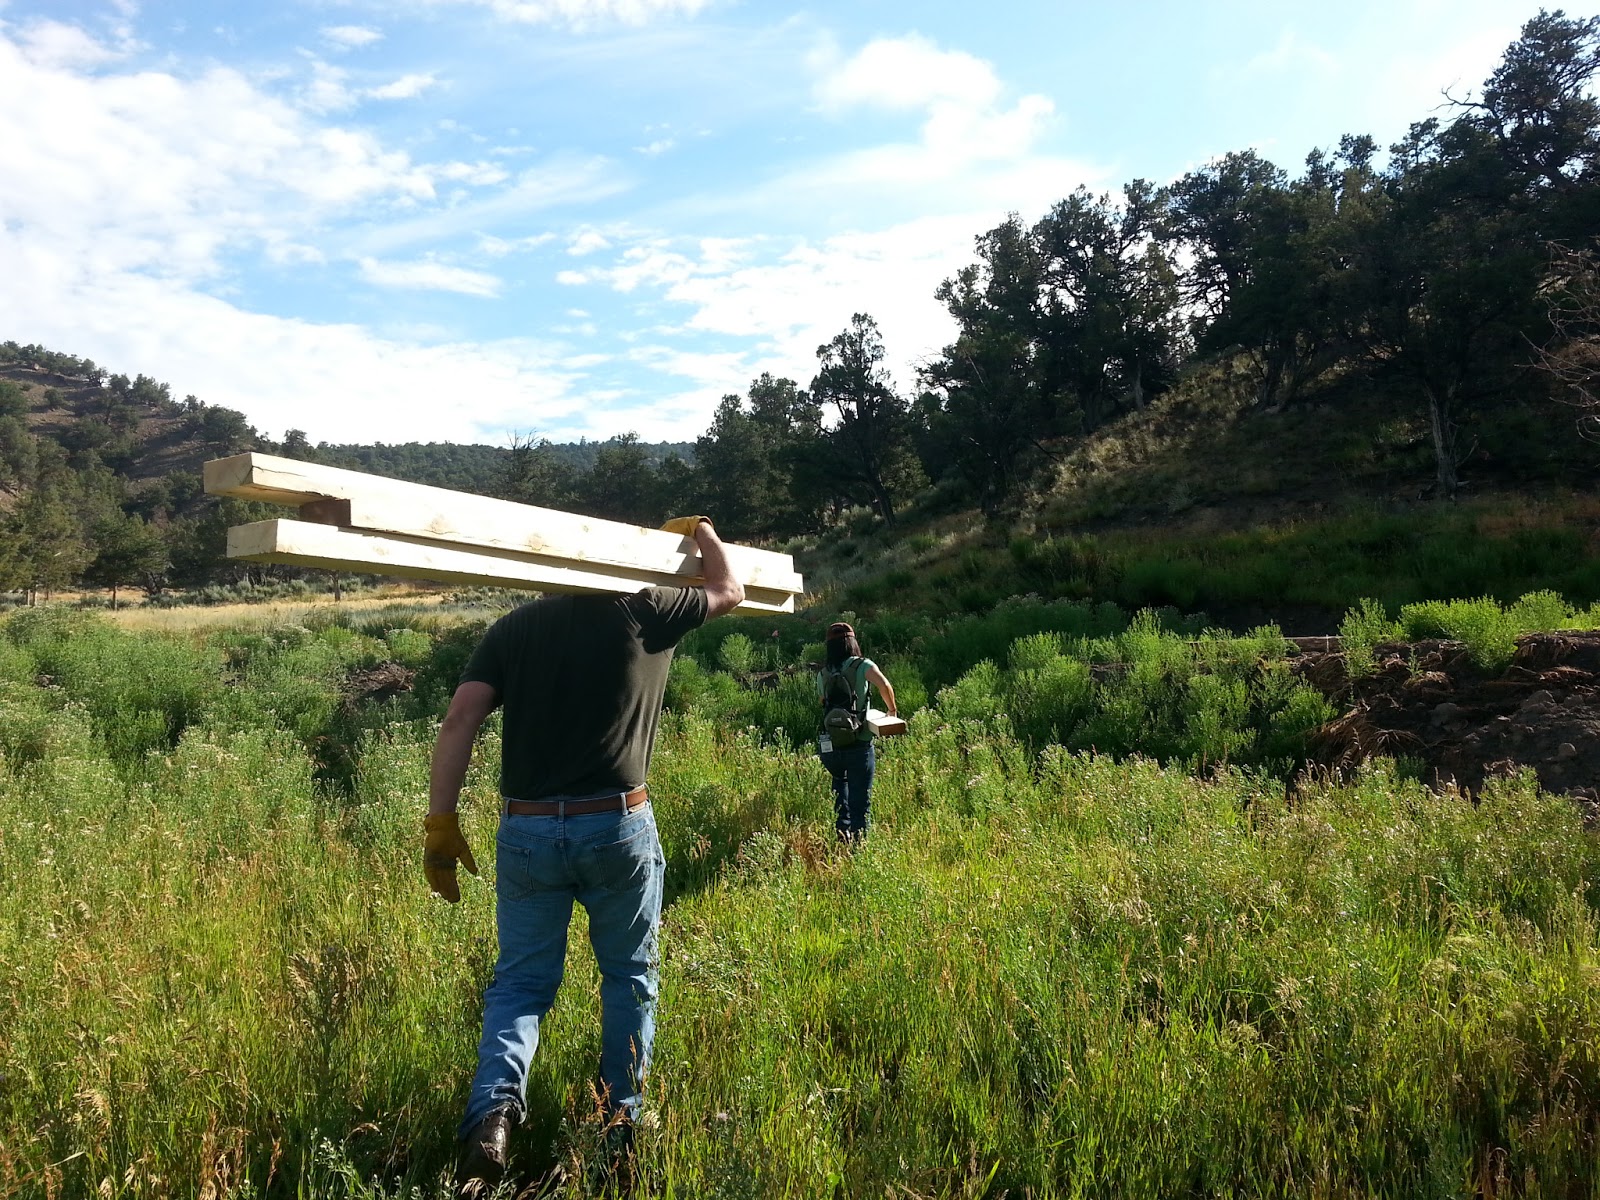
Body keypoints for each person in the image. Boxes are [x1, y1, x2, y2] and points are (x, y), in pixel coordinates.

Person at [423, 515, 745, 1194]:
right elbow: (730, 589)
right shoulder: (647, 611)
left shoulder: (513, 629)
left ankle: (492, 1117)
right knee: (629, 975)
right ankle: (619, 1125)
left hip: (528, 830)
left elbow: (459, 719)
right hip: (616, 826)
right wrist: (703, 530)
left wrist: (441, 822)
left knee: (520, 983)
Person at [816, 621, 895, 842]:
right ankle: (859, 845)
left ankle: (843, 835)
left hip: (832, 744)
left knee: (840, 791)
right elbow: (884, 685)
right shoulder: (863, 665)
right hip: (859, 743)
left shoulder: (823, 673)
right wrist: (891, 710)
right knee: (860, 800)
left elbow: (822, 701)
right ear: (852, 642)